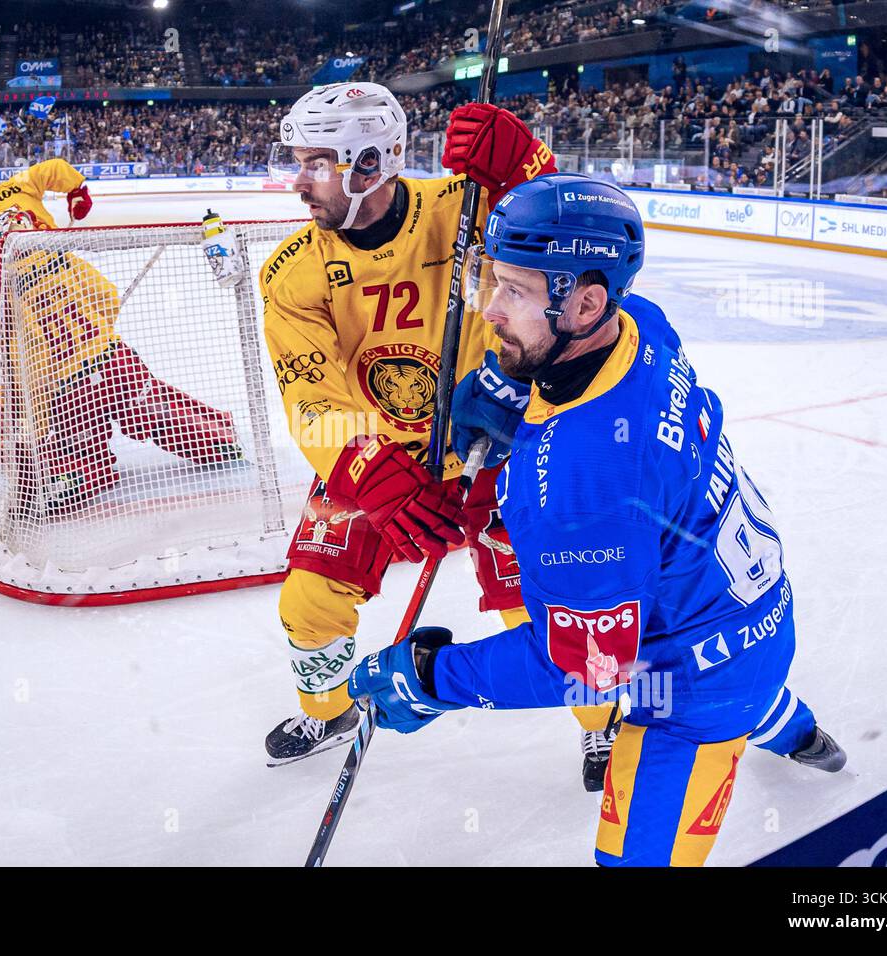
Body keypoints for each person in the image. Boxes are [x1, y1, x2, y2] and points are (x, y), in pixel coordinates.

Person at [350, 174, 845, 867]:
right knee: (756, 691)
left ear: (584, 302)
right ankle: (803, 735)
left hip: (690, 692)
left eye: (515, 292)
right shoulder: (643, 326)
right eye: (494, 282)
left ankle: (786, 726)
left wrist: (434, 679)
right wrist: (519, 389)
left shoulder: (583, 496)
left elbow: (592, 671)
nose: (491, 311)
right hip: (753, 617)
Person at [255, 82, 621, 774]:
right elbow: (311, 391)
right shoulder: (294, 274)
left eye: (315, 163)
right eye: (297, 161)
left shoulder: (467, 204)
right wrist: (372, 472)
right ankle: (329, 713)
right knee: (310, 595)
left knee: (537, 604)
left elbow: (571, 248)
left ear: (369, 165)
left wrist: (527, 168)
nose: (298, 182)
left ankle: (601, 721)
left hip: (495, 443)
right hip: (379, 453)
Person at [0, 209, 243, 514]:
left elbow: (22, 362)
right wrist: (96, 333)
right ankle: (220, 440)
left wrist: (37, 421)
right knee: (160, 411)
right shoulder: (61, 257)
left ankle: (76, 479)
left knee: (76, 449)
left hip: (72, 392)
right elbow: (107, 296)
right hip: (118, 361)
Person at [0, 155, 93, 358]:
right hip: (59, 263)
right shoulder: (17, 183)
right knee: (98, 302)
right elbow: (54, 167)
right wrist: (77, 189)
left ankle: (15, 361)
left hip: (27, 281)